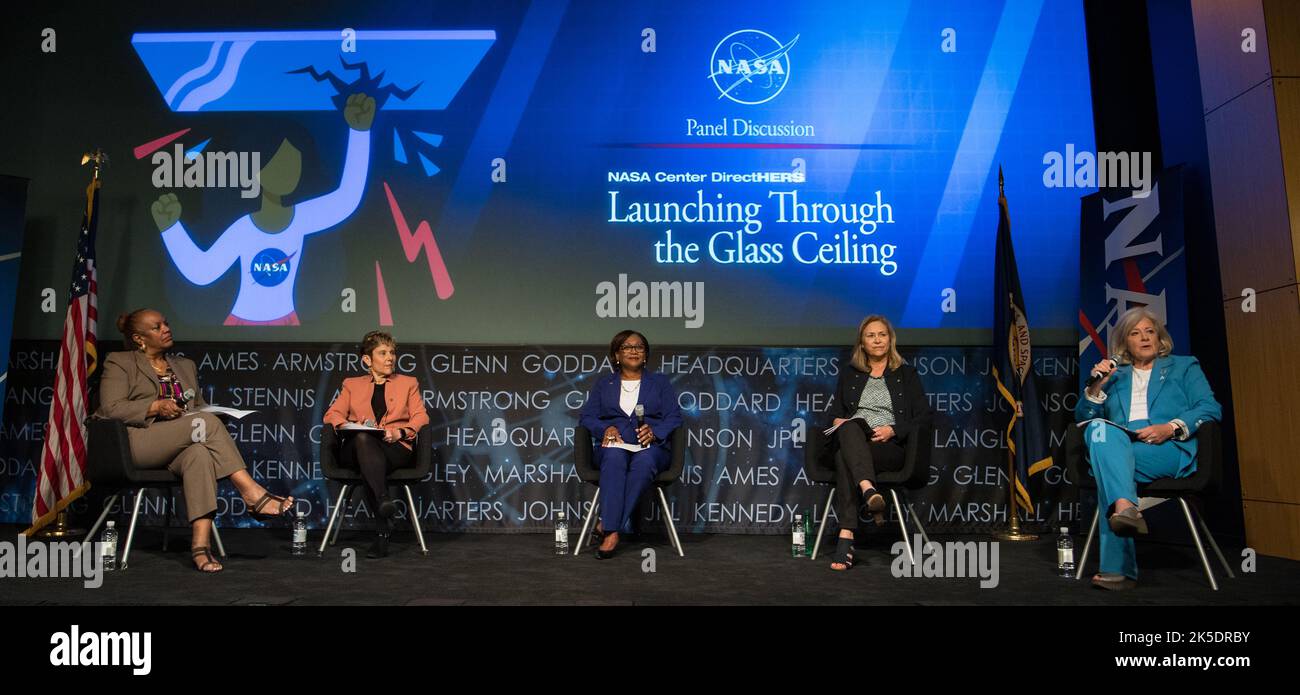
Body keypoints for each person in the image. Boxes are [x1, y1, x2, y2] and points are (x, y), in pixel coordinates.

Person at [95, 309, 294, 572]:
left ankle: (201, 547)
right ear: (139, 338)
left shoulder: (184, 365)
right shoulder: (120, 362)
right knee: (205, 425)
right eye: (156, 327)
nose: (166, 328)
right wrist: (155, 407)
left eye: (166, 323)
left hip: (178, 442)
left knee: (199, 454)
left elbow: (196, 408)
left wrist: (214, 413)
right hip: (136, 443)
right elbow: (111, 408)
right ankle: (251, 492)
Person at [1076, 306, 1221, 590]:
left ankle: (1119, 566)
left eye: (1149, 331)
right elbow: (1083, 420)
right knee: (1099, 431)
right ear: (1124, 343)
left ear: (1159, 337)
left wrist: (1170, 427)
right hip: (1121, 444)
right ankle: (1126, 508)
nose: (1144, 337)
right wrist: (1096, 390)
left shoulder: (1184, 366)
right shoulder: (1116, 376)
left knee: (1110, 468)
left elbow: (1210, 407)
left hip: (1167, 446)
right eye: (1135, 333)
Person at [823, 315, 933, 571]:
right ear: (862, 343)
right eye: (870, 335)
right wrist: (839, 420)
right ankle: (868, 494)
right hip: (856, 439)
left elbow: (924, 417)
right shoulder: (849, 374)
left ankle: (847, 534)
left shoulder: (906, 374)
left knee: (844, 457)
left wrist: (893, 430)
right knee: (849, 427)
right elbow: (833, 415)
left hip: (889, 447)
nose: (877, 340)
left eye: (882, 334)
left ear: (890, 339)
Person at [578, 330, 683, 559]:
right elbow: (587, 417)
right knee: (614, 458)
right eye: (627, 347)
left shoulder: (660, 383)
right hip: (614, 446)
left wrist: (655, 432)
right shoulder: (604, 384)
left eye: (639, 347)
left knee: (644, 462)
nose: (633, 351)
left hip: (650, 448)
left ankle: (609, 527)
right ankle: (614, 529)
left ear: (645, 354)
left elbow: (674, 417)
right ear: (617, 354)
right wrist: (606, 429)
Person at [323, 331, 428, 558]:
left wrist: (400, 432)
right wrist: (350, 424)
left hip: (394, 448)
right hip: (357, 448)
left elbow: (421, 417)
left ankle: (382, 527)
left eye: (392, 352)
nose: (390, 357)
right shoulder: (352, 384)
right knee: (363, 439)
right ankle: (383, 500)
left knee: (370, 465)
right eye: (383, 353)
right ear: (367, 360)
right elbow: (332, 415)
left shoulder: (408, 383)